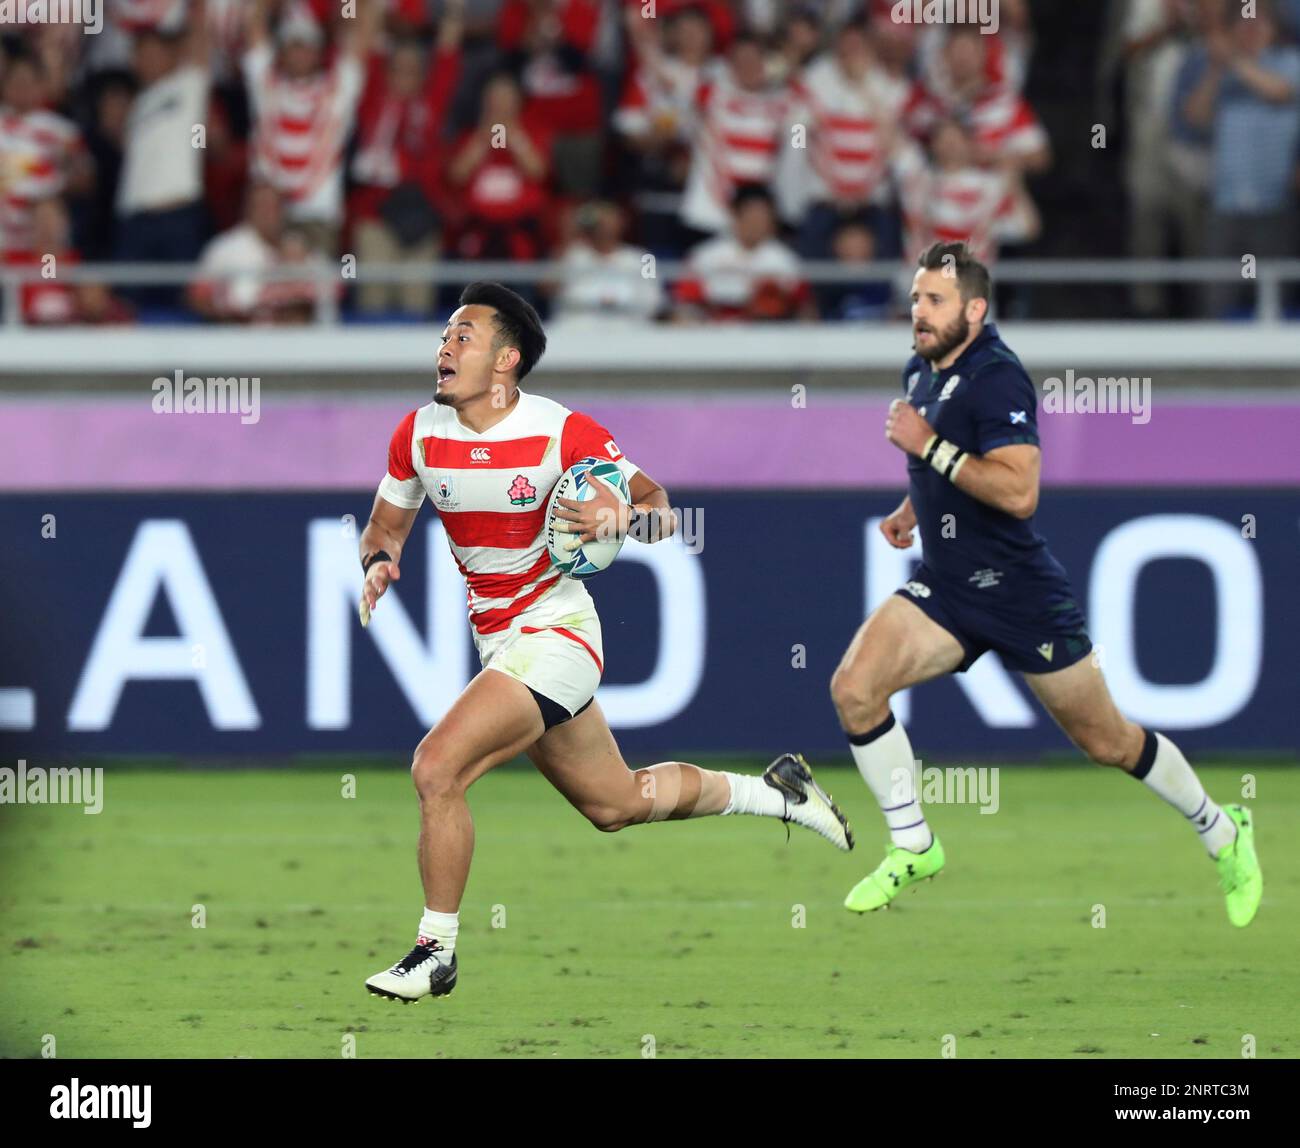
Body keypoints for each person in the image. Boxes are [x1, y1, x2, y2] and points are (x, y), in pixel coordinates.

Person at [359, 282, 853, 1001]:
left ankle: (436, 952)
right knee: (615, 804)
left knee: (437, 768)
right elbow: (385, 526)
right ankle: (777, 792)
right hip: (501, 645)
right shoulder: (418, 434)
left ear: (507, 360)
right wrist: (378, 562)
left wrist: (622, 517)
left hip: (558, 634)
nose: (444, 347)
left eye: (463, 336)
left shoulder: (564, 432)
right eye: (445, 334)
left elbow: (662, 512)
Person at [829, 242, 1262, 928]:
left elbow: (1019, 490)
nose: (919, 312)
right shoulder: (922, 369)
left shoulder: (998, 378)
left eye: (935, 301)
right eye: (916, 298)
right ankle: (914, 843)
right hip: (946, 588)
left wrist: (926, 448)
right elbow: (947, 466)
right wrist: (912, 509)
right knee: (855, 688)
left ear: (975, 308)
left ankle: (1222, 828)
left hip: (1018, 596)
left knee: (1109, 743)